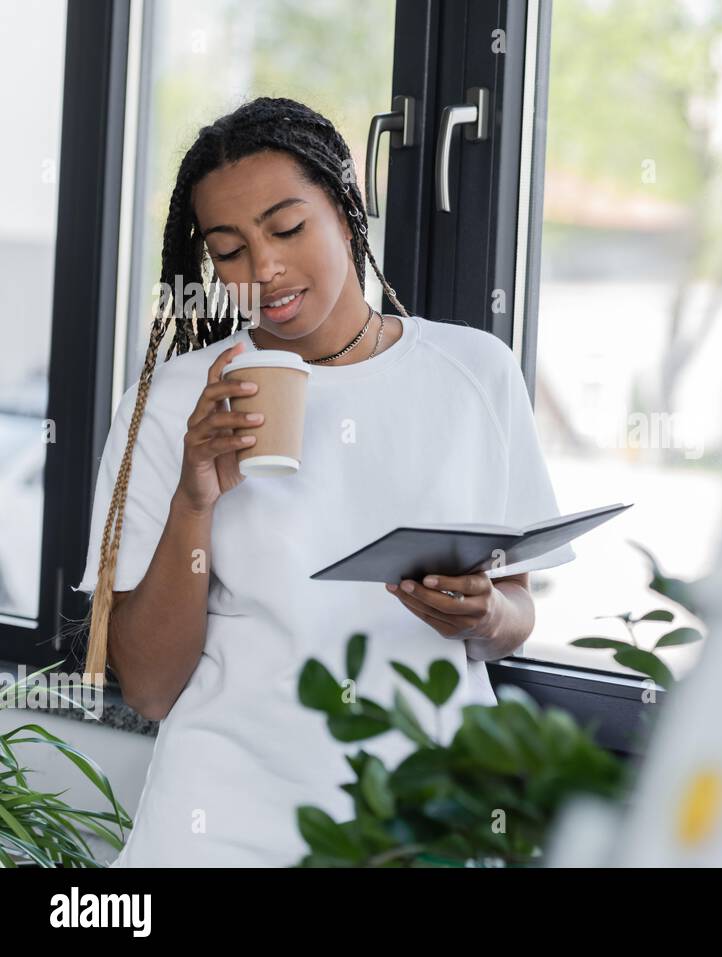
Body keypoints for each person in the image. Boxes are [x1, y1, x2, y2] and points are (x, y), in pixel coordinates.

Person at [73, 96, 575, 866]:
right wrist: (194, 496)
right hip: (224, 827)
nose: (264, 269)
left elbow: (515, 612)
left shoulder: (475, 372)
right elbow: (145, 687)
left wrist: (481, 615)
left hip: (422, 817)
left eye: (286, 227)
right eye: (229, 249)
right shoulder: (175, 401)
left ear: (347, 209)